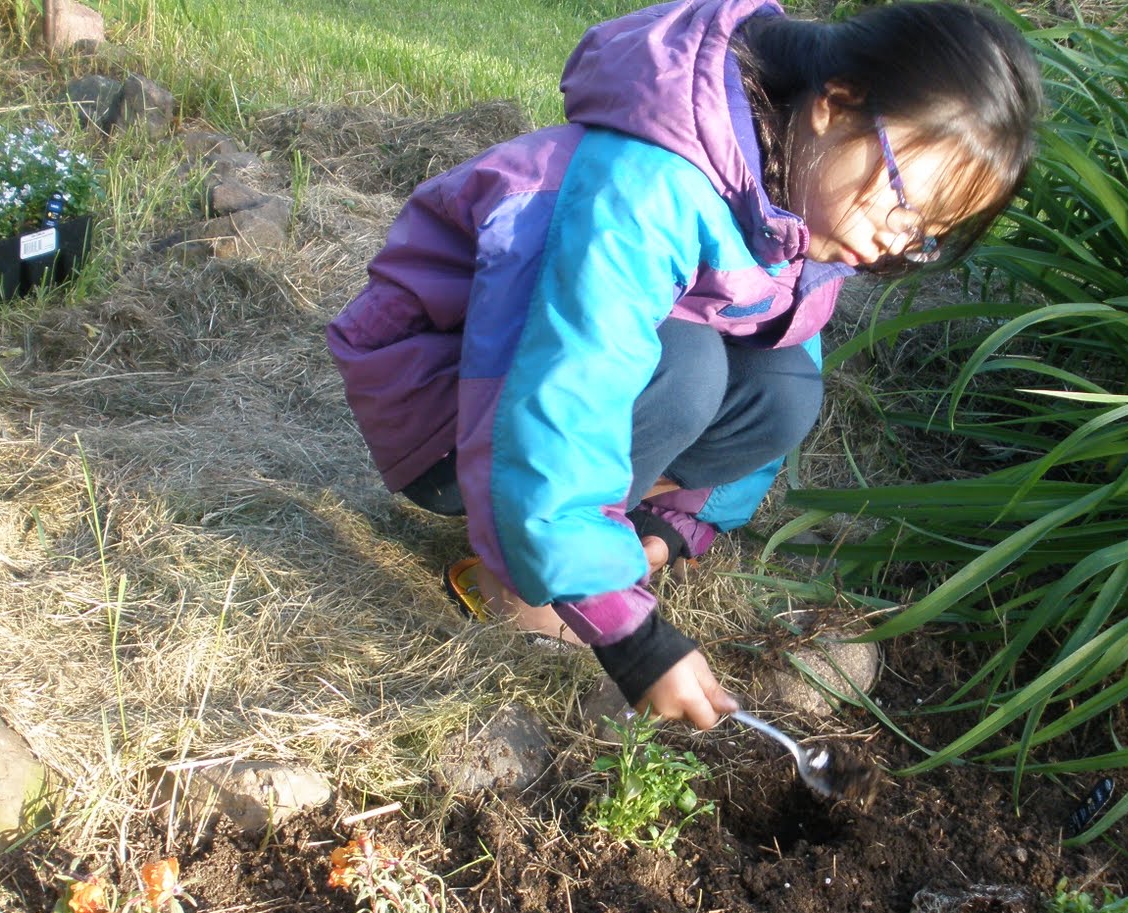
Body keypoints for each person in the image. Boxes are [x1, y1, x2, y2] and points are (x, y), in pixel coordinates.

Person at [328, 0, 1040, 730]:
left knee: (786, 383)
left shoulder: (802, 202)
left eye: (929, 238)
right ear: (837, 106)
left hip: (537, 385)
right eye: (904, 203)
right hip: (445, 409)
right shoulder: (648, 182)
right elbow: (562, 397)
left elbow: (778, 362)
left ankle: (596, 529)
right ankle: (522, 575)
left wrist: (674, 527)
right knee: (689, 367)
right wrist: (632, 637)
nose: (897, 245)